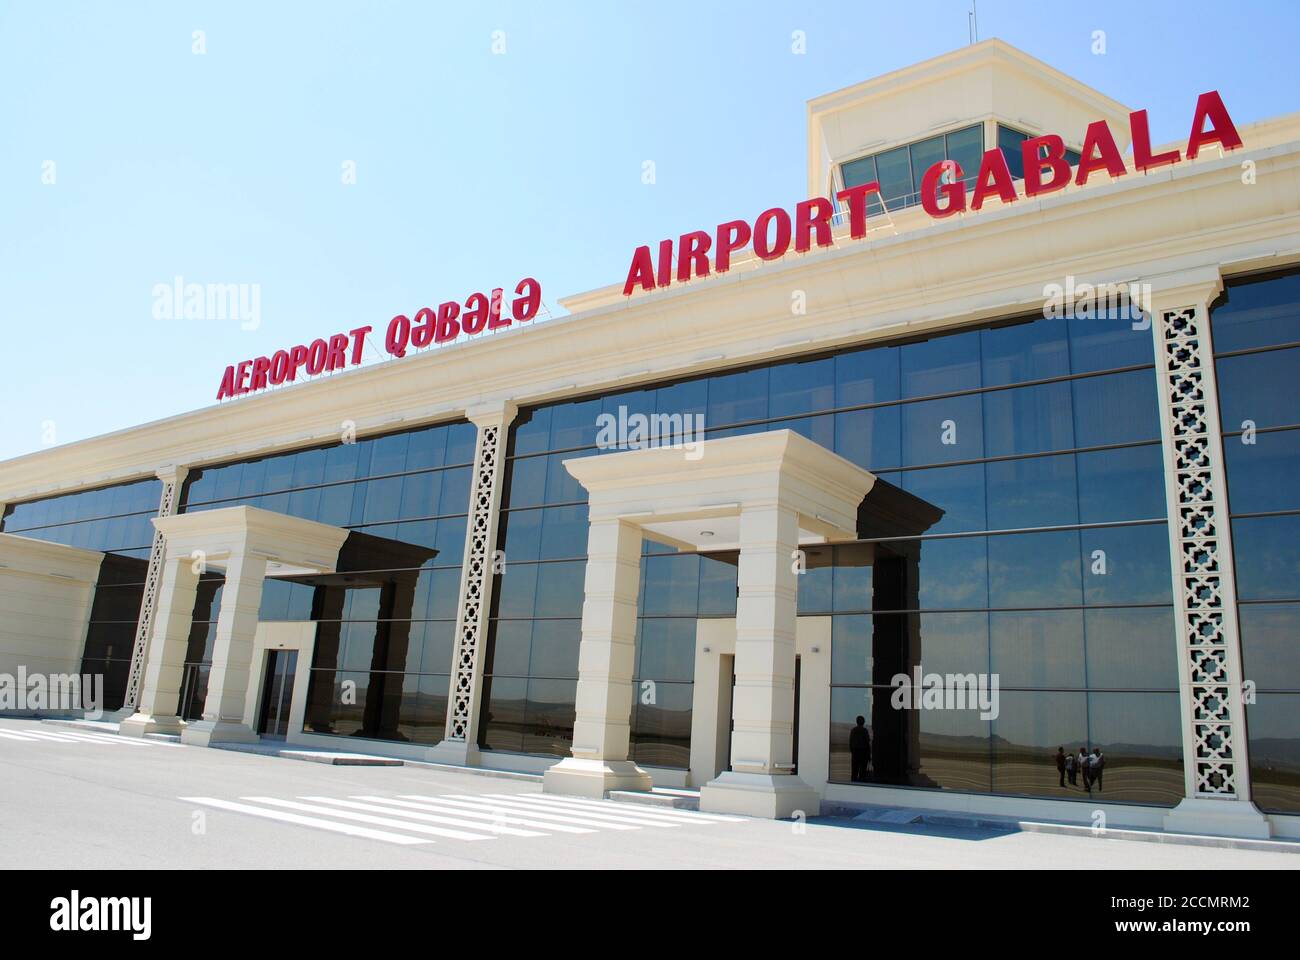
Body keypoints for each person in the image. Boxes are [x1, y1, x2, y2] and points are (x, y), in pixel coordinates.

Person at [849, 715, 872, 783]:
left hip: (855, 753)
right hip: (863, 753)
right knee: (862, 773)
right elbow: (867, 744)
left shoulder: (853, 730)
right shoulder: (864, 731)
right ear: (863, 722)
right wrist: (868, 755)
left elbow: (850, 743)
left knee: (854, 772)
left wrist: (853, 752)